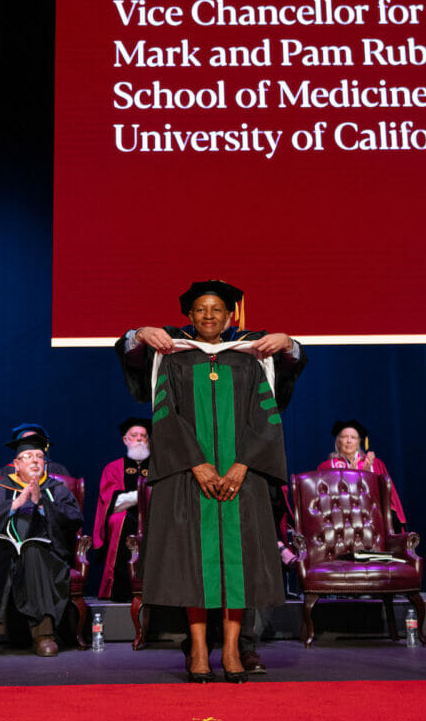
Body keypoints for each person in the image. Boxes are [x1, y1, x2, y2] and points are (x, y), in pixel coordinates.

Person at [117, 278, 306, 683]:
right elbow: (165, 415)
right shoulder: (175, 356)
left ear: (230, 317)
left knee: (240, 565)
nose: (208, 316)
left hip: (242, 480)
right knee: (194, 565)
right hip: (190, 479)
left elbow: (267, 415)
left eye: (217, 309)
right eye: (201, 309)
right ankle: (199, 649)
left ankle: (235, 650)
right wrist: (197, 465)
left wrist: (243, 465)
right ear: (189, 315)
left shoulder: (249, 357)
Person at [0, 431, 84, 658]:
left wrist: (42, 504)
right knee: (1, 551)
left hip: (46, 555)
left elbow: (74, 520)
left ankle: (43, 635)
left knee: (32, 551)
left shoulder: (57, 489)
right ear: (16, 464)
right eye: (28, 456)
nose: (35, 460)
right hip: (5, 551)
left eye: (39, 456)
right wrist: (13, 505)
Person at [93, 416, 150, 602]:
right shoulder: (114, 468)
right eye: (134, 435)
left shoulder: (158, 466)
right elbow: (113, 502)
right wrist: (143, 494)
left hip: (153, 514)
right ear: (125, 440)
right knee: (120, 520)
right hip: (125, 515)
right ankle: (119, 589)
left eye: (143, 436)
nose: (139, 439)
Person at [317, 419, 407, 528]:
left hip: (373, 515)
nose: (349, 441)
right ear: (338, 442)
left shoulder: (376, 464)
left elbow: (387, 495)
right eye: (344, 437)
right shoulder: (327, 466)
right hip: (340, 518)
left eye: (353, 437)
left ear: (359, 442)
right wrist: (347, 476)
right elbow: (323, 498)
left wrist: (367, 475)